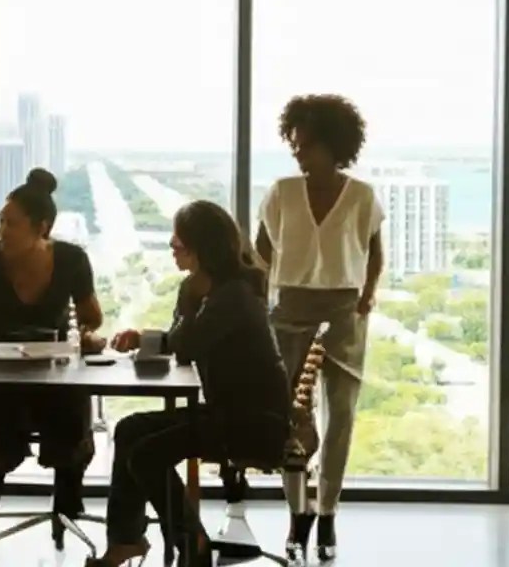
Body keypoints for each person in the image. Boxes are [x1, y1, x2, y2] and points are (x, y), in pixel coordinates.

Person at [92, 201, 290, 567]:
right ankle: (126, 539)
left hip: (254, 422)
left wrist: (188, 298)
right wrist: (175, 310)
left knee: (146, 454)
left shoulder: (234, 295)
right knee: (129, 429)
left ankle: (192, 542)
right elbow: (181, 345)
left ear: (201, 247)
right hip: (228, 411)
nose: (172, 245)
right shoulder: (213, 291)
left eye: (179, 240)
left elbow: (186, 344)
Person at [255, 94, 383, 563]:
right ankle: (296, 513)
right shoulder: (282, 192)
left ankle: (327, 511)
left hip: (345, 311)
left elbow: (375, 250)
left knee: (341, 418)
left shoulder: (362, 195)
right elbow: (261, 249)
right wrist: (262, 295)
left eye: (306, 144)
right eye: (294, 142)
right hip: (290, 308)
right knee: (293, 418)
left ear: (334, 145)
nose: (297, 151)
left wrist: (367, 295)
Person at [0, 168, 106, 525]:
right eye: (1, 221)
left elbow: (92, 316)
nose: (0, 231)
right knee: (3, 418)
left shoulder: (71, 259)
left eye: (11, 224)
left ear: (42, 227)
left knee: (73, 406)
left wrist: (90, 335)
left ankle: (67, 493)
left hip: (55, 373)